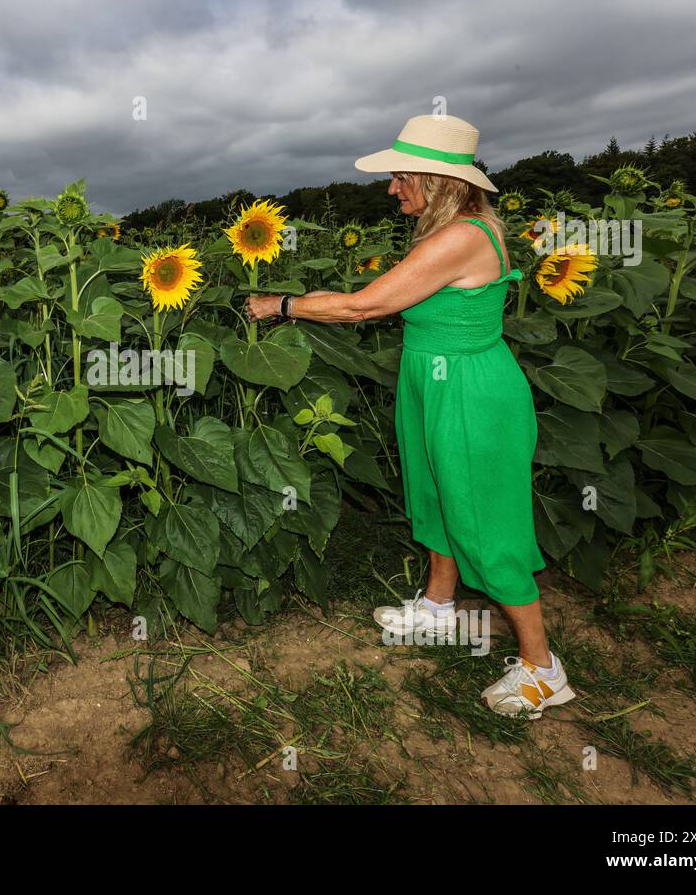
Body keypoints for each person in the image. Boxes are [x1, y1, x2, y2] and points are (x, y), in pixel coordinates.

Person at [245, 114, 576, 718]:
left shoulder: (462, 238)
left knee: (483, 517)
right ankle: (440, 609)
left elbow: (364, 305)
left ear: (438, 180)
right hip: (433, 379)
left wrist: (281, 304)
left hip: (471, 392)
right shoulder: (445, 232)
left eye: (401, 177)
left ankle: (541, 668)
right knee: (434, 494)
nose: (392, 188)